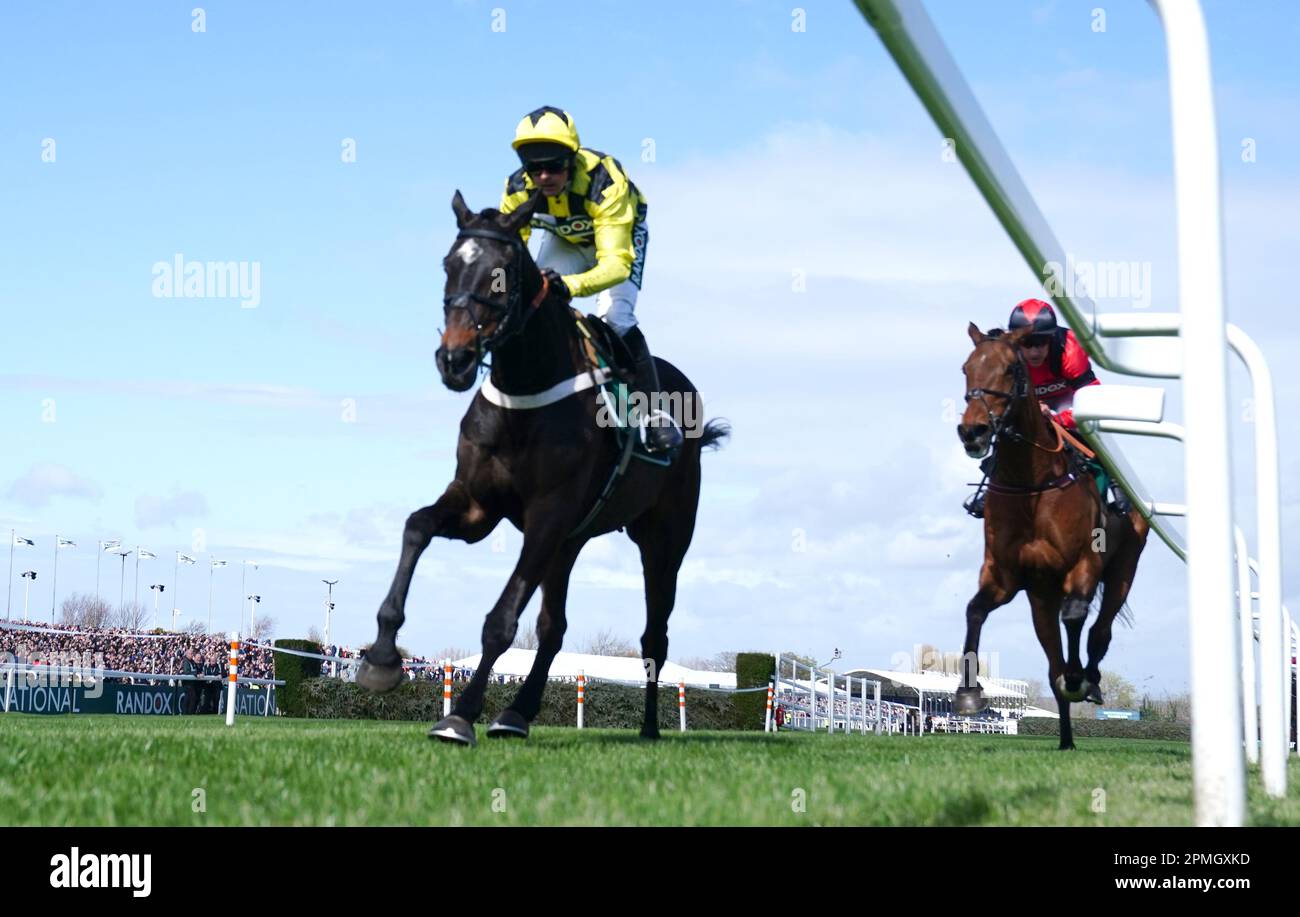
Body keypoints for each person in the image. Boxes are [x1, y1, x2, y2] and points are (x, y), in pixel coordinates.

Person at [499, 106, 683, 454]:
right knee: (532, 307)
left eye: (553, 165)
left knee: (616, 318)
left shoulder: (605, 181)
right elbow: (506, 256)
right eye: (533, 167)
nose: (543, 177)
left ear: (571, 158)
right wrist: (501, 290)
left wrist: (569, 287)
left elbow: (614, 266)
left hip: (618, 241)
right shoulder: (516, 188)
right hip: (566, 239)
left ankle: (654, 416)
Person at [964, 298, 1130, 518]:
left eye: (1042, 342)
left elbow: (1093, 399)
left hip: (1068, 399)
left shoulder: (1070, 350)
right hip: (1033, 401)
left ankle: (1114, 478)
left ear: (1051, 338)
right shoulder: (1006, 354)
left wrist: (1060, 419)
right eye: (1028, 344)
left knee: (1087, 429)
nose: (1034, 352)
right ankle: (992, 484)